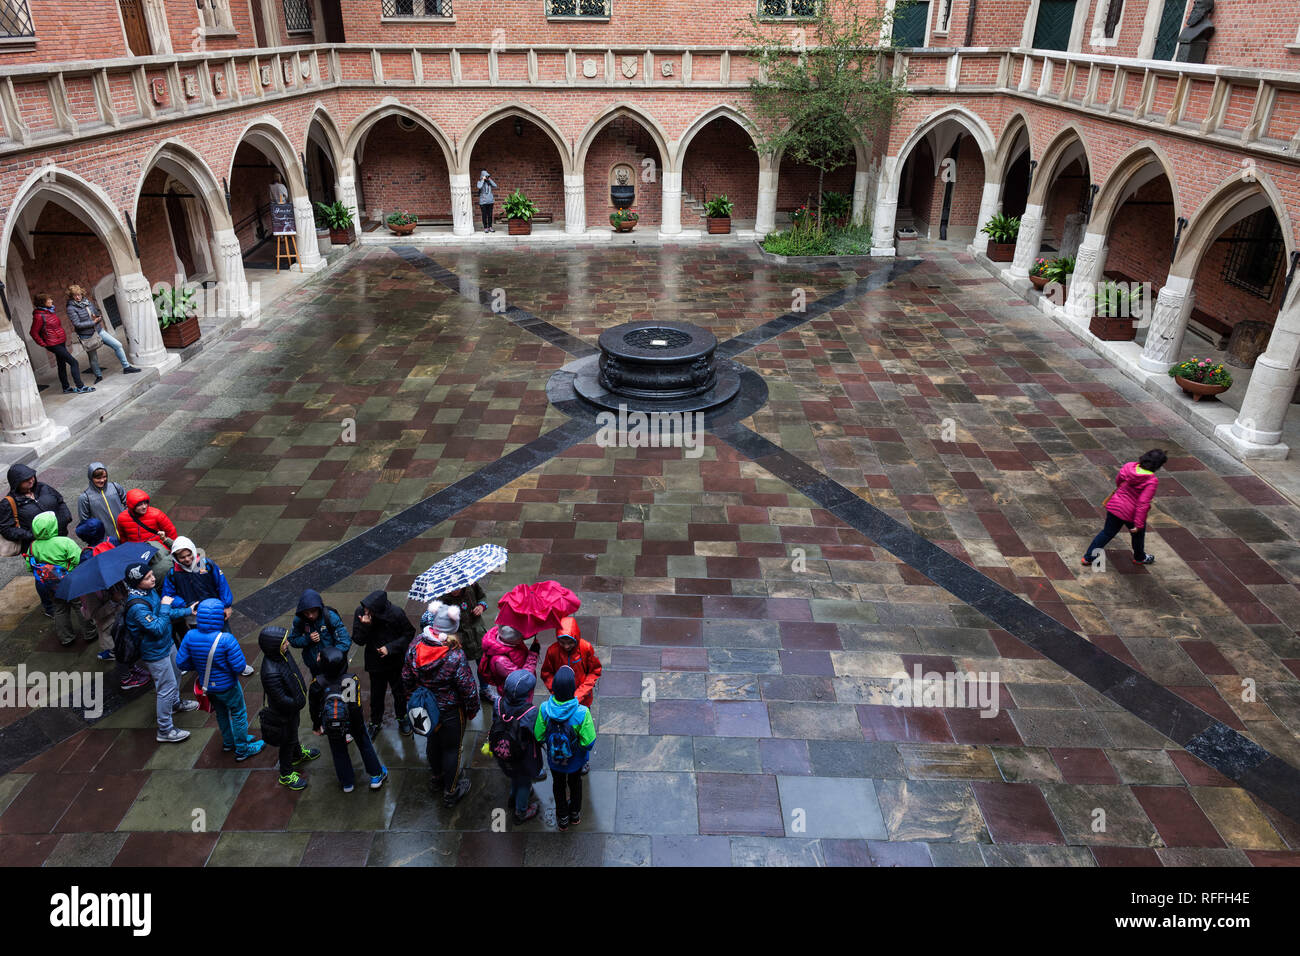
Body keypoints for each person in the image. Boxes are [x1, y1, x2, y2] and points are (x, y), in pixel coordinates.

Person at [402, 601, 479, 807]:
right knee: (452, 749)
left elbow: (406, 678)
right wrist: (472, 709)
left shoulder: (415, 646)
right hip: (450, 711)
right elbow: (467, 687)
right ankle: (451, 791)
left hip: (426, 708)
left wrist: (413, 696)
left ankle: (436, 777)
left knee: (433, 742)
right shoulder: (455, 655)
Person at [176, 598, 263, 761]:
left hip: (207, 685)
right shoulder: (226, 639)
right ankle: (243, 748)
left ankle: (229, 742)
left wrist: (199, 666)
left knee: (221, 714)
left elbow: (181, 663)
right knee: (238, 714)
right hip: (228, 685)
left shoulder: (189, 635)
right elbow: (239, 667)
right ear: (219, 616)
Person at [123, 562, 196, 743]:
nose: (153, 578)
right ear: (136, 583)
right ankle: (165, 729)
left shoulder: (149, 592)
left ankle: (175, 704)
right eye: (147, 578)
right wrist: (164, 607)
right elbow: (156, 627)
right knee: (166, 688)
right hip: (155, 652)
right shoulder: (137, 606)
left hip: (167, 643)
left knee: (177, 672)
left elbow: (165, 613)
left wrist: (187, 610)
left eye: (151, 574)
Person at [309, 646, 388, 793]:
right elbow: (355, 707)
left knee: (338, 750)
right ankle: (376, 775)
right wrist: (357, 726)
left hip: (331, 721)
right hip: (353, 721)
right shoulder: (350, 680)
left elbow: (314, 708)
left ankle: (347, 783)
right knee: (364, 744)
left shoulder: (317, 682)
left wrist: (317, 725)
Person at [2, 464, 73, 616]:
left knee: (63, 566)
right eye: (25, 480)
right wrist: (31, 535)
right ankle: (50, 606)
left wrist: (65, 517)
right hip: (35, 546)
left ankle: (68, 593)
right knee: (44, 575)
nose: (31, 481)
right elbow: (6, 529)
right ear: (16, 482)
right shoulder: (9, 503)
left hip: (58, 537)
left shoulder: (44, 488)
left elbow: (60, 501)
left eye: (32, 477)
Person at [533, 665, 595, 831]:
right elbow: (589, 742)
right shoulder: (582, 712)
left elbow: (538, 736)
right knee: (575, 784)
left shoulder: (545, 709)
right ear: (573, 688)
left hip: (554, 761)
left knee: (558, 785)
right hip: (575, 761)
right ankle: (575, 814)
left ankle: (562, 818)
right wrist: (579, 750)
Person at [1082, 449, 1168, 567]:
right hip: (1131, 514)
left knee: (1107, 533)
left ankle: (1088, 557)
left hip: (1115, 506)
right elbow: (1142, 503)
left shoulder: (1129, 466)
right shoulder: (1151, 481)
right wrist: (1138, 524)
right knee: (1138, 535)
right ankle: (1140, 557)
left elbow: (1119, 480)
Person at [258, 625, 320, 790]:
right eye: (284, 642)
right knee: (287, 741)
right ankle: (286, 774)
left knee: (293, 733)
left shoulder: (281, 654)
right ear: (274, 646)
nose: (288, 644)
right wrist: (298, 703)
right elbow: (280, 700)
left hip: (292, 709)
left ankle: (297, 754)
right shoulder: (270, 671)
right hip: (284, 713)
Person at [352, 590, 415, 740]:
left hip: (395, 661)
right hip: (375, 662)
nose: (366, 611)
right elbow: (358, 640)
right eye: (365, 607)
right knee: (376, 694)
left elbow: (409, 633)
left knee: (399, 691)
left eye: (370, 609)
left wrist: (391, 648)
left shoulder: (396, 613)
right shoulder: (361, 613)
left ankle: (402, 718)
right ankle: (375, 722)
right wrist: (365, 626)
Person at [28, 511, 95, 647]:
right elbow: (78, 560)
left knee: (60, 608)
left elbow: (31, 567)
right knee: (79, 605)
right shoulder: (64, 542)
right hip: (71, 581)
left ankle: (66, 637)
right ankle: (90, 633)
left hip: (50, 584)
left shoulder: (33, 546)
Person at [162, 536, 236, 648]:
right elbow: (168, 595)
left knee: (227, 641)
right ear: (175, 557)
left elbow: (221, 584)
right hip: (194, 617)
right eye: (182, 557)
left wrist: (226, 605)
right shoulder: (173, 574)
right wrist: (186, 606)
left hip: (216, 611)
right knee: (206, 645)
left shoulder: (205, 564)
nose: (187, 559)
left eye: (189, 555)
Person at [492, 669, 543, 825]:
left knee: (513, 775)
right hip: (523, 757)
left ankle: (512, 797)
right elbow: (537, 734)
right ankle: (521, 811)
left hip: (503, 752)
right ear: (527, 693)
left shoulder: (498, 703)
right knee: (524, 782)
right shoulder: (531, 712)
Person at [65, 284, 141, 382]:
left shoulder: (87, 302)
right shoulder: (71, 308)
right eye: (75, 295)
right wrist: (93, 322)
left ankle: (126, 367)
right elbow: (77, 324)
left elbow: (95, 313)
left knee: (117, 345)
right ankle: (98, 376)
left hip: (99, 330)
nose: (78, 297)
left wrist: (98, 316)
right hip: (87, 335)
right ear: (72, 296)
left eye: (79, 294)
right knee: (93, 357)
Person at [74, 518, 122, 663]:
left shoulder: (87, 554)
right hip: (118, 583)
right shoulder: (111, 540)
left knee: (108, 630)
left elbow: (87, 575)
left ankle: (113, 652)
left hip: (103, 593)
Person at [30, 294, 94, 394]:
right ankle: (80, 387)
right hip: (53, 344)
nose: (51, 300)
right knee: (74, 362)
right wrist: (44, 343)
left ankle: (66, 388)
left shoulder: (50, 311)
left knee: (61, 364)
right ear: (43, 302)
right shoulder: (39, 316)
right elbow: (33, 332)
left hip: (60, 341)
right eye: (49, 299)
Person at [440, 582, 489, 699]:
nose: (454, 591)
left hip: (477, 634)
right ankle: (468, 693)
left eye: (456, 588)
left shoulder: (472, 586)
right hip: (460, 639)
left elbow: (482, 597)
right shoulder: (443, 599)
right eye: (451, 589)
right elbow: (440, 620)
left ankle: (485, 689)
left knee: (483, 665)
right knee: (462, 670)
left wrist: (481, 606)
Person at [541, 616, 601, 708]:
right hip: (560, 699)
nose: (566, 646)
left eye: (570, 642)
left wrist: (580, 694)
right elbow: (547, 673)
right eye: (562, 642)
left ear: (576, 638)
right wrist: (557, 691)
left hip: (582, 700)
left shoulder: (585, 648)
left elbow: (594, 672)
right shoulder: (552, 651)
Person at [288, 589, 351, 677]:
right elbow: (292, 639)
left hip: (334, 665)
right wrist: (307, 639)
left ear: (319, 608)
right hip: (314, 666)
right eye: (306, 613)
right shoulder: (299, 620)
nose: (310, 616)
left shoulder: (330, 617)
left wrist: (326, 656)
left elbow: (345, 642)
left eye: (313, 611)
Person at [479, 624, 540, 704]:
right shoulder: (500, 661)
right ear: (515, 639)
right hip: (515, 694)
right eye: (521, 637)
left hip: (523, 688)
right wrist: (532, 655)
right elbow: (521, 679)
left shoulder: (506, 637)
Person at [76, 462, 129, 541]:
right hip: (105, 540)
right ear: (91, 478)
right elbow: (85, 522)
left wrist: (126, 518)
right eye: (98, 478)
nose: (102, 480)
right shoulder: (85, 498)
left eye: (104, 477)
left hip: (126, 533)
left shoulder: (115, 487)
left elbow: (128, 503)